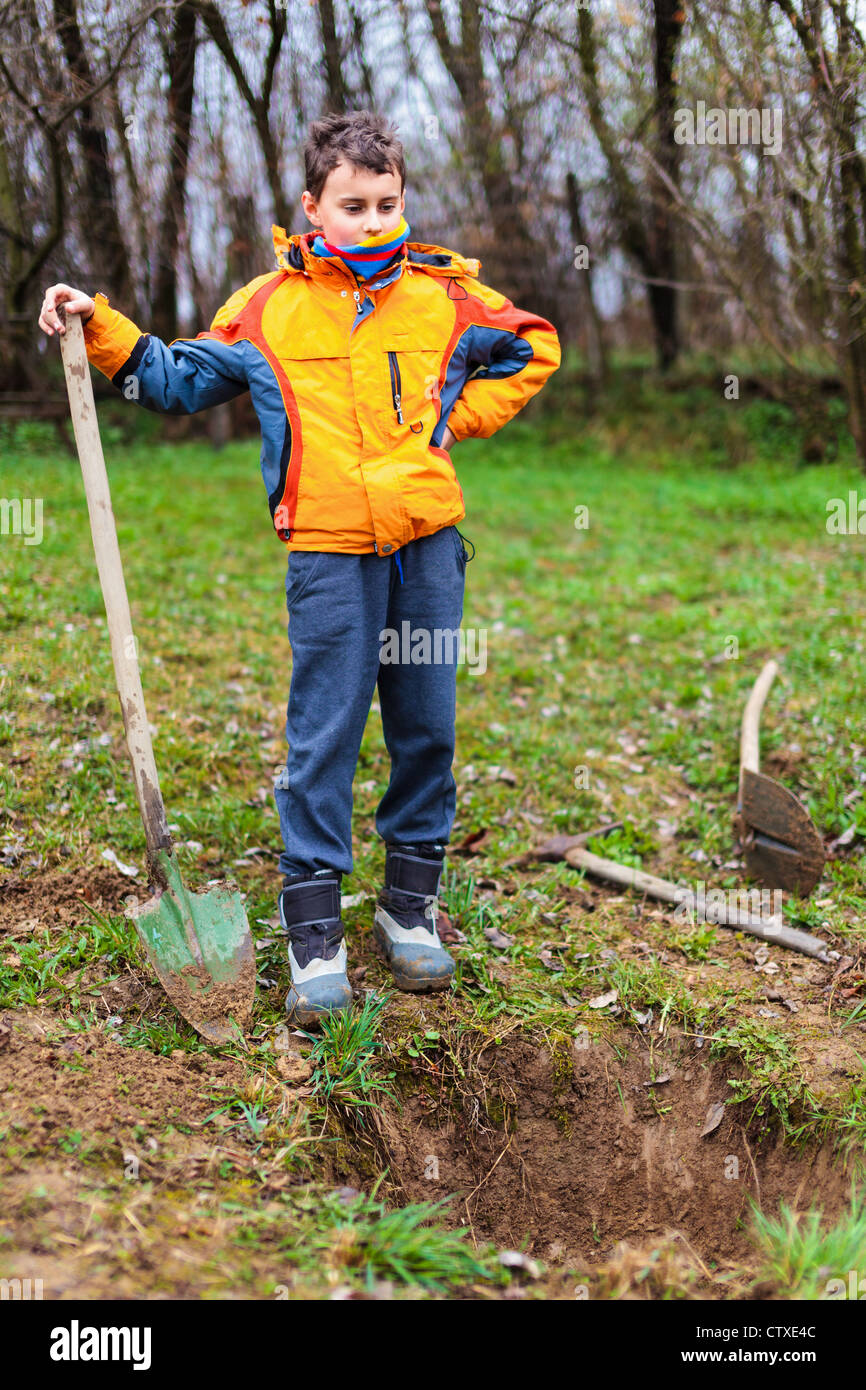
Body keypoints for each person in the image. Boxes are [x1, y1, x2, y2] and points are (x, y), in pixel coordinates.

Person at [38, 109, 561, 1027]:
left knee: (426, 727)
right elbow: (170, 377)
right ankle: (314, 933)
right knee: (323, 738)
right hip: (326, 555)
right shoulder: (267, 308)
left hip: (426, 548)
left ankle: (409, 908)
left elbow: (534, 344)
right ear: (313, 206)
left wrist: (454, 416)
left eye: (387, 203)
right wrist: (99, 326)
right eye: (352, 205)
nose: (371, 220)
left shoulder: (444, 296)